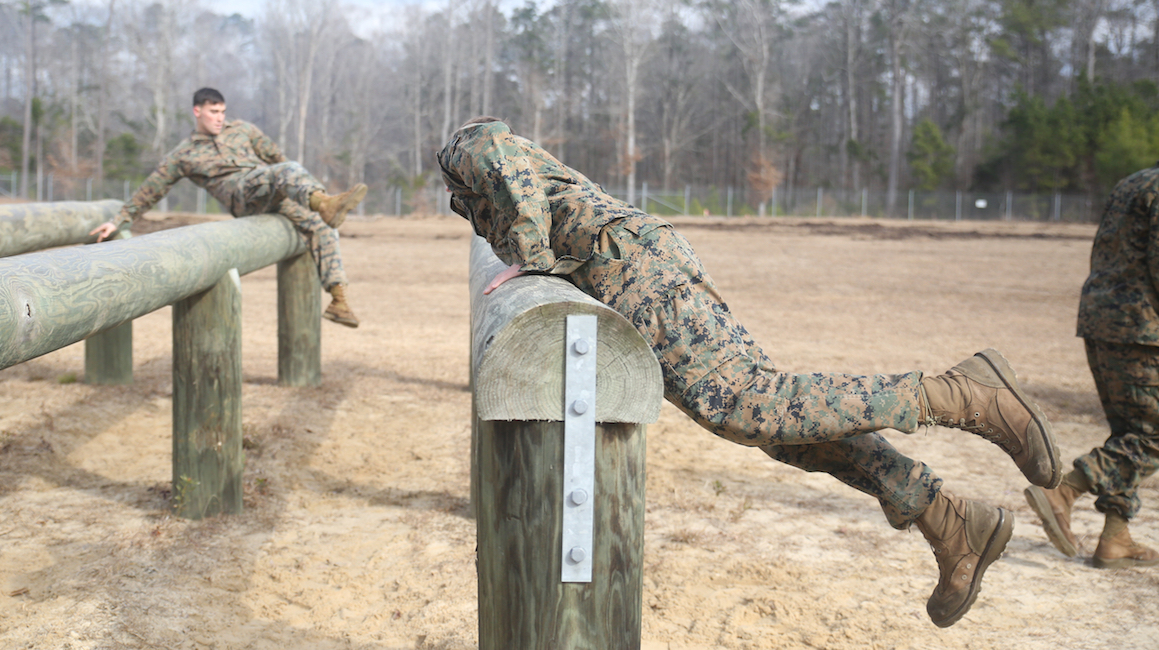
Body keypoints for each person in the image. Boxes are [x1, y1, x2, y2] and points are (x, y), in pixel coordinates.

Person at [438, 117, 1063, 628]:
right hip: (628, 264)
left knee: (745, 403)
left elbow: (501, 158)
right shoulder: (466, 173)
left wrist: (532, 261)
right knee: (771, 424)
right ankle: (947, 517)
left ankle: (962, 394)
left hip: (627, 265)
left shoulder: (465, 141)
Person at [90, 87, 367, 327]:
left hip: (273, 190)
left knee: (320, 224)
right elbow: (151, 190)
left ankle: (338, 299)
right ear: (197, 111)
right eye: (213, 111)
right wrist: (119, 219)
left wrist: (297, 190)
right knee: (286, 171)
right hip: (242, 196)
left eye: (222, 111)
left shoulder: (243, 130)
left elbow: (277, 157)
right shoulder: (183, 154)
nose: (220, 117)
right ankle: (325, 203)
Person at [1023, 166, 1159, 569]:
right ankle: (1064, 490)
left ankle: (1115, 537)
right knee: (1152, 436)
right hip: (1142, 327)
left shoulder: (1134, 182)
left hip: (1103, 318)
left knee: (1130, 433)